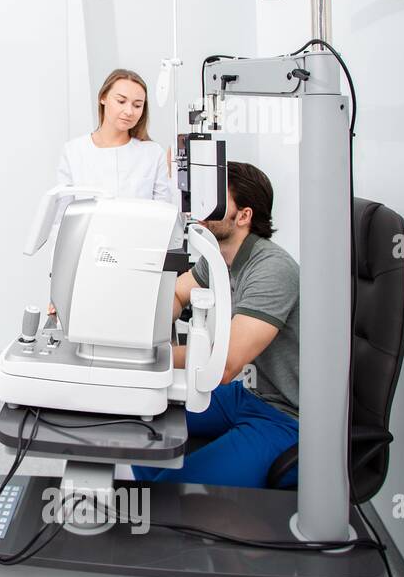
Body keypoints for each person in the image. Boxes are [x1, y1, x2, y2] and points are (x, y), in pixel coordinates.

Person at [133, 161, 301, 489]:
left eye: (216, 200)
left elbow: (221, 365)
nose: (203, 208)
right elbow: (178, 295)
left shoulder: (272, 270)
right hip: (247, 395)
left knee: (174, 491)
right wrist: (145, 327)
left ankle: (174, 510)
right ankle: (163, 510)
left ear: (243, 216)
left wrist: (152, 353)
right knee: (139, 426)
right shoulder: (221, 259)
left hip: (286, 417)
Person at [56, 68, 175, 213]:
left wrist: (174, 180)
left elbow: (164, 214)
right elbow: (61, 217)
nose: (129, 111)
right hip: (90, 236)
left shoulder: (153, 153)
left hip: (139, 235)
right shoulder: (74, 151)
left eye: (137, 105)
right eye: (121, 101)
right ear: (103, 98)